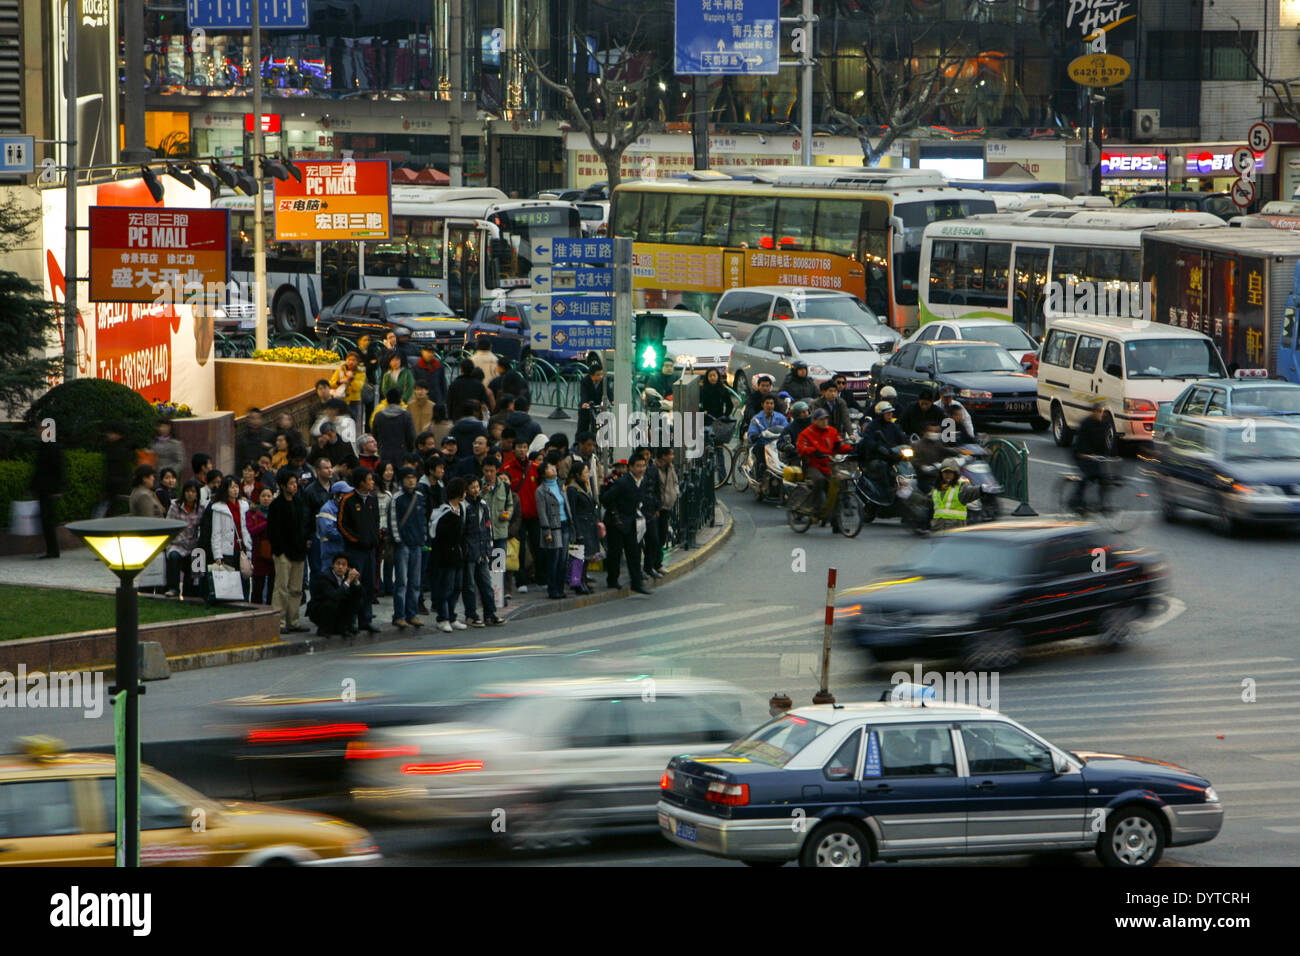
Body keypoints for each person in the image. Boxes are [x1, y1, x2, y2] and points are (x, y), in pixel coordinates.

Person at [338, 467, 381, 633]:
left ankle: (366, 619)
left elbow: (375, 521)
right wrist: (356, 540)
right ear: (361, 482)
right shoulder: (348, 500)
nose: (372, 482)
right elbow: (341, 525)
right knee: (355, 585)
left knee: (369, 586)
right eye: (369, 479)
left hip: (370, 550)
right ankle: (351, 620)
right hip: (355, 550)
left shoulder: (372, 499)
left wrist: (375, 538)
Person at [600, 454, 652, 594]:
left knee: (634, 552)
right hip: (616, 523)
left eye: (643, 466)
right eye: (638, 466)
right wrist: (615, 513)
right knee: (615, 552)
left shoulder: (643, 480)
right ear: (631, 467)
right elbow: (606, 499)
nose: (641, 469)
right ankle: (612, 580)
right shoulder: (622, 482)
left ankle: (636, 583)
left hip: (632, 521)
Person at [268, 467, 310, 632]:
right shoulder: (276, 505)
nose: (294, 486)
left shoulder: (299, 502)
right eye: (291, 483)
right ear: (282, 485)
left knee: (296, 589)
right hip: (283, 552)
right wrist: (279, 550)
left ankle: (293, 621)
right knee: (281, 588)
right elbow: (273, 531)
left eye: (295, 483)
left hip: (298, 551)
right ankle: (279, 622)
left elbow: (304, 525)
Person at [387, 466, 427, 629]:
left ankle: (412, 614)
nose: (411, 481)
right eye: (408, 478)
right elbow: (393, 521)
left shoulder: (420, 497)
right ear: (402, 480)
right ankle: (399, 615)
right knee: (402, 582)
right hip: (402, 544)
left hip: (417, 544)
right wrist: (398, 540)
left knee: (415, 581)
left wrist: (423, 538)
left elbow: (423, 520)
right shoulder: (396, 498)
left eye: (413, 477)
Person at [428, 477, 470, 632]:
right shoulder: (445, 512)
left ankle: (452, 616)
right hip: (445, 556)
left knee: (456, 587)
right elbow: (439, 536)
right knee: (445, 588)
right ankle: (442, 618)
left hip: (458, 555)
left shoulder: (463, 508)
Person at [796, 408, 852, 519]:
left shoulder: (832, 431)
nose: (824, 421)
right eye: (821, 419)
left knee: (836, 486)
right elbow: (801, 449)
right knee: (819, 481)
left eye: (826, 419)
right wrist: (813, 451)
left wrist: (851, 449)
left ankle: (836, 521)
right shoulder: (806, 433)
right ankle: (815, 508)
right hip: (812, 465)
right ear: (815, 420)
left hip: (828, 465)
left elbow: (839, 445)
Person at [461, 477, 502, 625]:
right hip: (469, 551)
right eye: (472, 487)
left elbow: (488, 527)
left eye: (477, 486)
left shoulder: (483, 504)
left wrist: (489, 548)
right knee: (469, 585)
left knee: (486, 583)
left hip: (483, 549)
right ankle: (471, 614)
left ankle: (490, 613)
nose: (476, 490)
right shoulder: (463, 506)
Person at [209, 475, 253, 601]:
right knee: (231, 579)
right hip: (227, 549)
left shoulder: (244, 505)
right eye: (232, 487)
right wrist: (217, 555)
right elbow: (216, 533)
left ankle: (245, 601)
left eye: (237, 487)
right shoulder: (219, 508)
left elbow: (246, 528)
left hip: (242, 547)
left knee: (245, 576)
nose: (235, 490)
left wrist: (249, 546)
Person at [306, 554, 364, 639]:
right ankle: (324, 629)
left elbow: (360, 594)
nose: (340, 567)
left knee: (356, 600)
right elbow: (334, 595)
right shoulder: (325, 577)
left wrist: (356, 581)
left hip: (336, 607)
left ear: (348, 567)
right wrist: (348, 581)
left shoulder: (347, 576)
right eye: (338, 564)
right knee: (332, 602)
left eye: (343, 564)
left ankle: (344, 627)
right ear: (333, 565)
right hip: (319, 609)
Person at [535, 459, 569, 599]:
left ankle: (560, 588)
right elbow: (542, 513)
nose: (553, 469)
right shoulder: (541, 490)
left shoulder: (561, 485)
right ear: (543, 473)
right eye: (549, 468)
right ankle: (552, 589)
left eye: (553, 466)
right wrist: (546, 531)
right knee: (554, 559)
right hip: (553, 527)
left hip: (565, 523)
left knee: (563, 558)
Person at [564, 460, 599, 595]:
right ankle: (577, 583)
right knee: (578, 556)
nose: (587, 474)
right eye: (585, 472)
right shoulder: (572, 489)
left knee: (587, 557)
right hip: (580, 525)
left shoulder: (586, 486)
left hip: (589, 525)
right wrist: (577, 531)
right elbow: (572, 511)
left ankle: (583, 580)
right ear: (577, 474)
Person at [1070, 398, 1112, 511]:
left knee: (1105, 478)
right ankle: (1077, 502)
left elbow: (1104, 442)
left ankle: (1102, 503)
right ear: (1093, 412)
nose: (1100, 414)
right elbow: (1081, 443)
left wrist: (1109, 455)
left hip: (1095, 455)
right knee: (1087, 476)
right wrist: (1087, 454)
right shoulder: (1086, 423)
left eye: (1102, 411)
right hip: (1081, 454)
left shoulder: (1104, 424)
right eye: (1098, 411)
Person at [164, 480, 203, 597]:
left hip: (193, 544)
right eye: (188, 491)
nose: (190, 494)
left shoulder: (201, 508)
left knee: (199, 555)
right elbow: (168, 525)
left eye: (193, 491)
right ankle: (173, 588)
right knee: (173, 556)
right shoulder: (175, 506)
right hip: (177, 543)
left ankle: (193, 590)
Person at [648, 448, 678, 578]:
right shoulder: (654, 469)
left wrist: (675, 493)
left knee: (662, 536)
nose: (673, 456)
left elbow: (675, 482)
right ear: (663, 456)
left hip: (667, 507)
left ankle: (657, 563)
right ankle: (576, 579)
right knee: (654, 538)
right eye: (670, 454)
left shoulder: (670, 468)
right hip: (657, 508)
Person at [747, 393, 789, 486]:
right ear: (762, 405)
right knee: (760, 456)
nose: (769, 406)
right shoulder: (756, 418)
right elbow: (752, 432)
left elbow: (787, 429)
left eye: (771, 403)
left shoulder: (780, 417)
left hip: (776, 444)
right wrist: (754, 435)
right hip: (762, 444)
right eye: (767, 403)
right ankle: (759, 478)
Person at [930, 457, 982, 532]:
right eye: (945, 472)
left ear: (955, 474)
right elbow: (927, 503)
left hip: (955, 531)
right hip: (938, 531)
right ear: (941, 474)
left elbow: (971, 492)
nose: (947, 475)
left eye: (950, 472)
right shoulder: (936, 489)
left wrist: (982, 489)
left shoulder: (961, 487)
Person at [371, 387, 416, 464]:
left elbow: (374, 435)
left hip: (384, 452)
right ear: (400, 399)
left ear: (387, 399)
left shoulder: (379, 416)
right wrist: (410, 450)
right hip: (402, 453)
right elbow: (411, 436)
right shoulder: (406, 415)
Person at [316, 480, 351, 578]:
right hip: (330, 551)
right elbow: (328, 531)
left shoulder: (343, 507)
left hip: (341, 550)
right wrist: (347, 535)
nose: (347, 496)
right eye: (345, 494)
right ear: (336, 495)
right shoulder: (327, 509)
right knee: (328, 577)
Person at [247, 486, 275, 605]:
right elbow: (251, 530)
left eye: (269, 496)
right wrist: (267, 523)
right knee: (258, 585)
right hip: (258, 552)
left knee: (273, 586)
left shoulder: (276, 511)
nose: (266, 499)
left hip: (274, 552)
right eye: (263, 496)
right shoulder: (252, 513)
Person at [99, 422, 133, 517]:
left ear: (118, 434)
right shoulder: (116, 447)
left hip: (115, 487)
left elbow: (117, 469)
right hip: (115, 487)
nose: (108, 435)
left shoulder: (119, 450)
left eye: (110, 433)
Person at [329, 351, 367, 434]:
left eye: (354, 360)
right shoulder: (341, 370)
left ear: (357, 362)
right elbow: (331, 383)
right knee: (339, 425)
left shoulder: (361, 373)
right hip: (340, 400)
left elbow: (358, 388)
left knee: (351, 424)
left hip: (353, 402)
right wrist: (340, 381)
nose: (351, 362)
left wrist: (351, 379)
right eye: (349, 359)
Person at [577, 364, 610, 434]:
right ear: (591, 375)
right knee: (582, 427)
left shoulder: (603, 381)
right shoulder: (585, 381)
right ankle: (578, 442)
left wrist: (613, 400)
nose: (601, 376)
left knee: (600, 427)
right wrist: (584, 403)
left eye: (601, 374)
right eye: (598, 375)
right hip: (586, 407)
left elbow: (609, 391)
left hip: (598, 407)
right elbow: (583, 393)